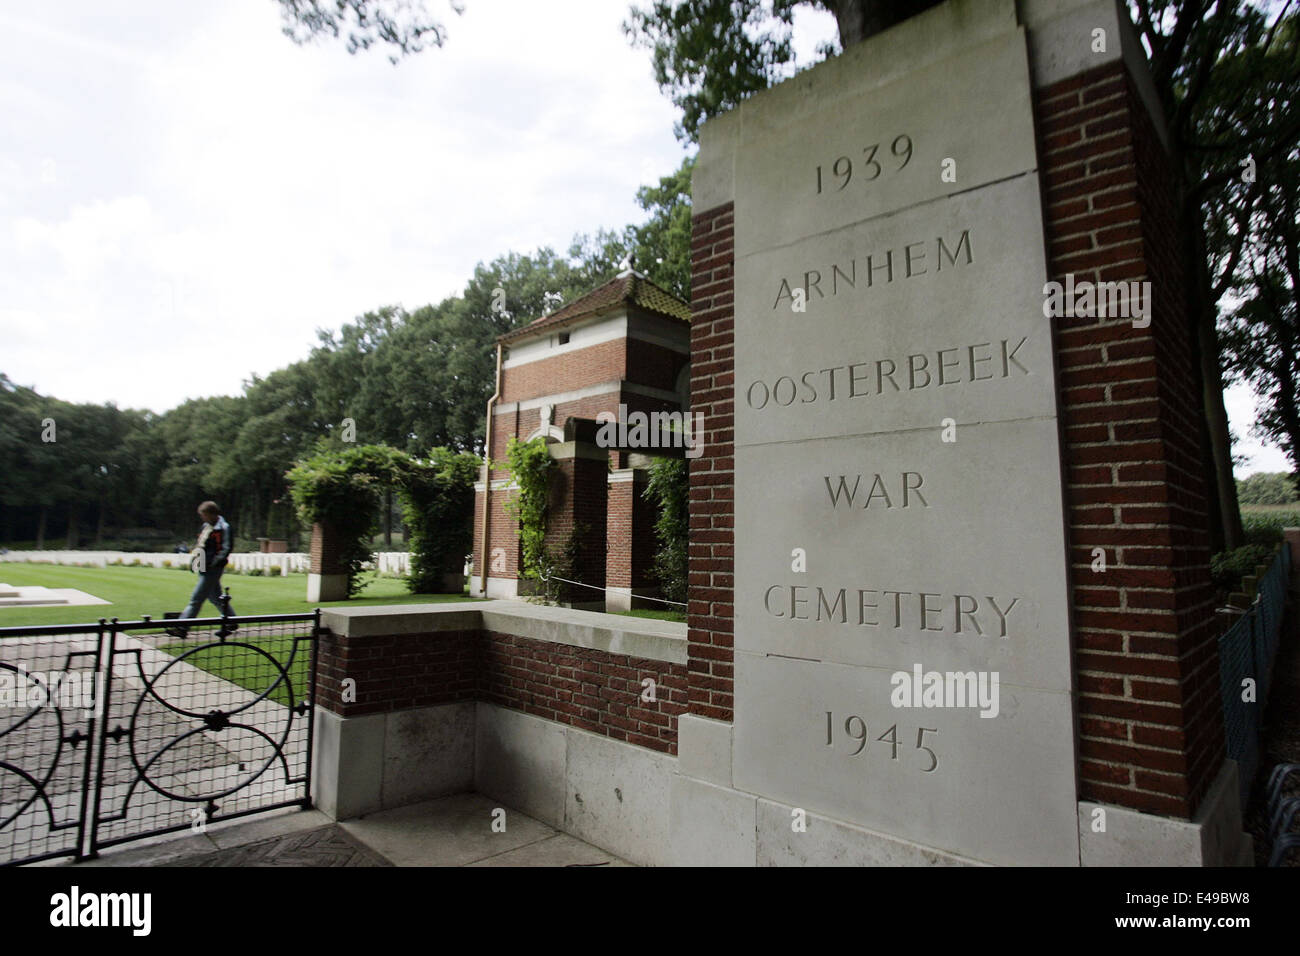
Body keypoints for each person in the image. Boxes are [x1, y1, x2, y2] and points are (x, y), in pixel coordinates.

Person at [167, 501, 237, 637]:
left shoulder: (224, 527)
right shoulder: (206, 526)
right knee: (216, 598)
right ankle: (232, 621)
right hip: (204, 566)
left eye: (204, 515)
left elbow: (226, 548)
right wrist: (196, 561)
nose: (203, 518)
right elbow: (200, 545)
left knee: (196, 599)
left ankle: (182, 627)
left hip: (213, 567)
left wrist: (215, 562)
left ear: (212, 514)